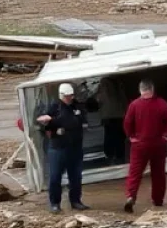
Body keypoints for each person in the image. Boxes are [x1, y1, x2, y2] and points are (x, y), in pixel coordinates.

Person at [123, 78, 167, 212]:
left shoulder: (134, 105)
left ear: (140, 90)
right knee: (158, 173)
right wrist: (166, 135)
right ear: (152, 89)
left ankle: (131, 196)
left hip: (139, 145)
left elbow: (127, 123)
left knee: (135, 173)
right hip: (158, 144)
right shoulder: (161, 103)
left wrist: (131, 137)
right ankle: (158, 201)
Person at [34, 82, 89, 214]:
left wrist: (53, 121)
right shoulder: (53, 107)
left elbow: (77, 121)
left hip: (75, 148)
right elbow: (41, 123)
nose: (70, 98)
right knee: (55, 177)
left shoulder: (77, 106)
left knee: (76, 176)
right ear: (61, 96)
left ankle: (76, 201)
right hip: (58, 148)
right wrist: (51, 124)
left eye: (71, 96)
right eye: (67, 96)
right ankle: (55, 203)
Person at [97, 76, 128, 165]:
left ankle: (110, 157)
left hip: (108, 116)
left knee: (109, 137)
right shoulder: (119, 82)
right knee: (120, 138)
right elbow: (124, 99)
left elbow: (99, 99)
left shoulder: (103, 83)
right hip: (119, 115)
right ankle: (120, 157)